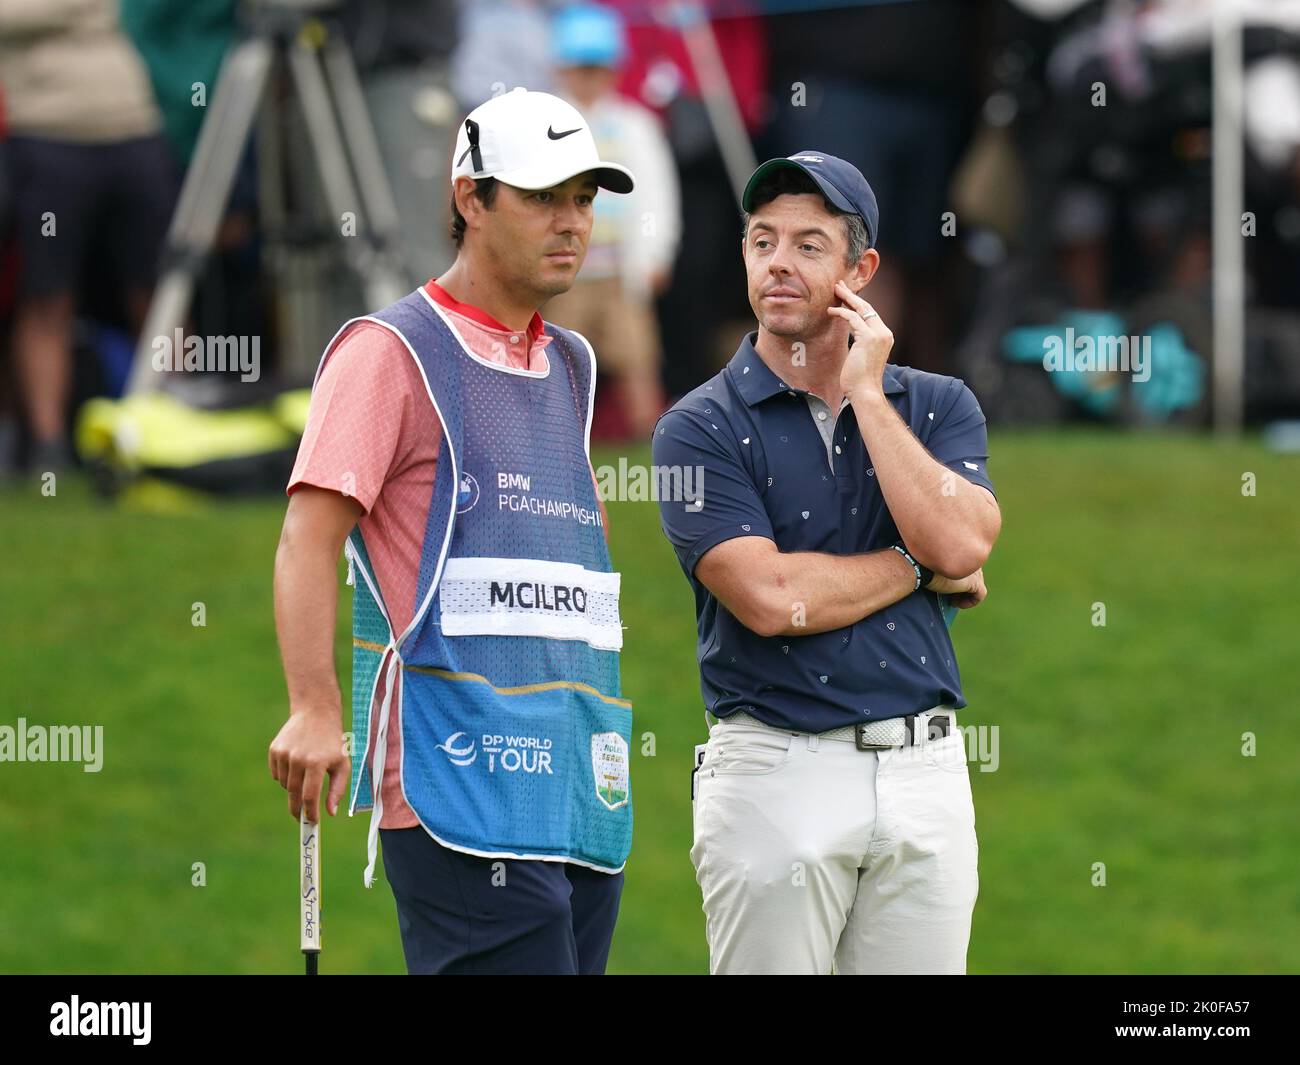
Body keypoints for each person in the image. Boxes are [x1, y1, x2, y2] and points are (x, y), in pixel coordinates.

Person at [269, 88, 637, 975]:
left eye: (584, 198)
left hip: (577, 784)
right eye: (542, 197)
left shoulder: (573, 362)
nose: (572, 222)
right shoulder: (389, 351)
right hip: (458, 777)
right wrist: (316, 707)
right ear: (471, 199)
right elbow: (306, 537)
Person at [652, 151, 1002, 975]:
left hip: (925, 770)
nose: (778, 261)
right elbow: (772, 596)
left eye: (808, 245)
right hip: (776, 771)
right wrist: (916, 566)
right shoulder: (695, 427)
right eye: (762, 241)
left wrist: (869, 395)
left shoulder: (937, 403)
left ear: (860, 271)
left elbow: (963, 543)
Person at [544, 2, 680, 440]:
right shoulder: (545, 126)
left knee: (638, 358)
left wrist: (656, 253)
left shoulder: (636, 125)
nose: (588, 78)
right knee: (558, 363)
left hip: (621, 272)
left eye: (597, 68)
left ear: (614, 70)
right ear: (560, 68)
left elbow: (657, 192)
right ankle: (556, 440)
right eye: (580, 68)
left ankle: (651, 440)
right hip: (565, 272)